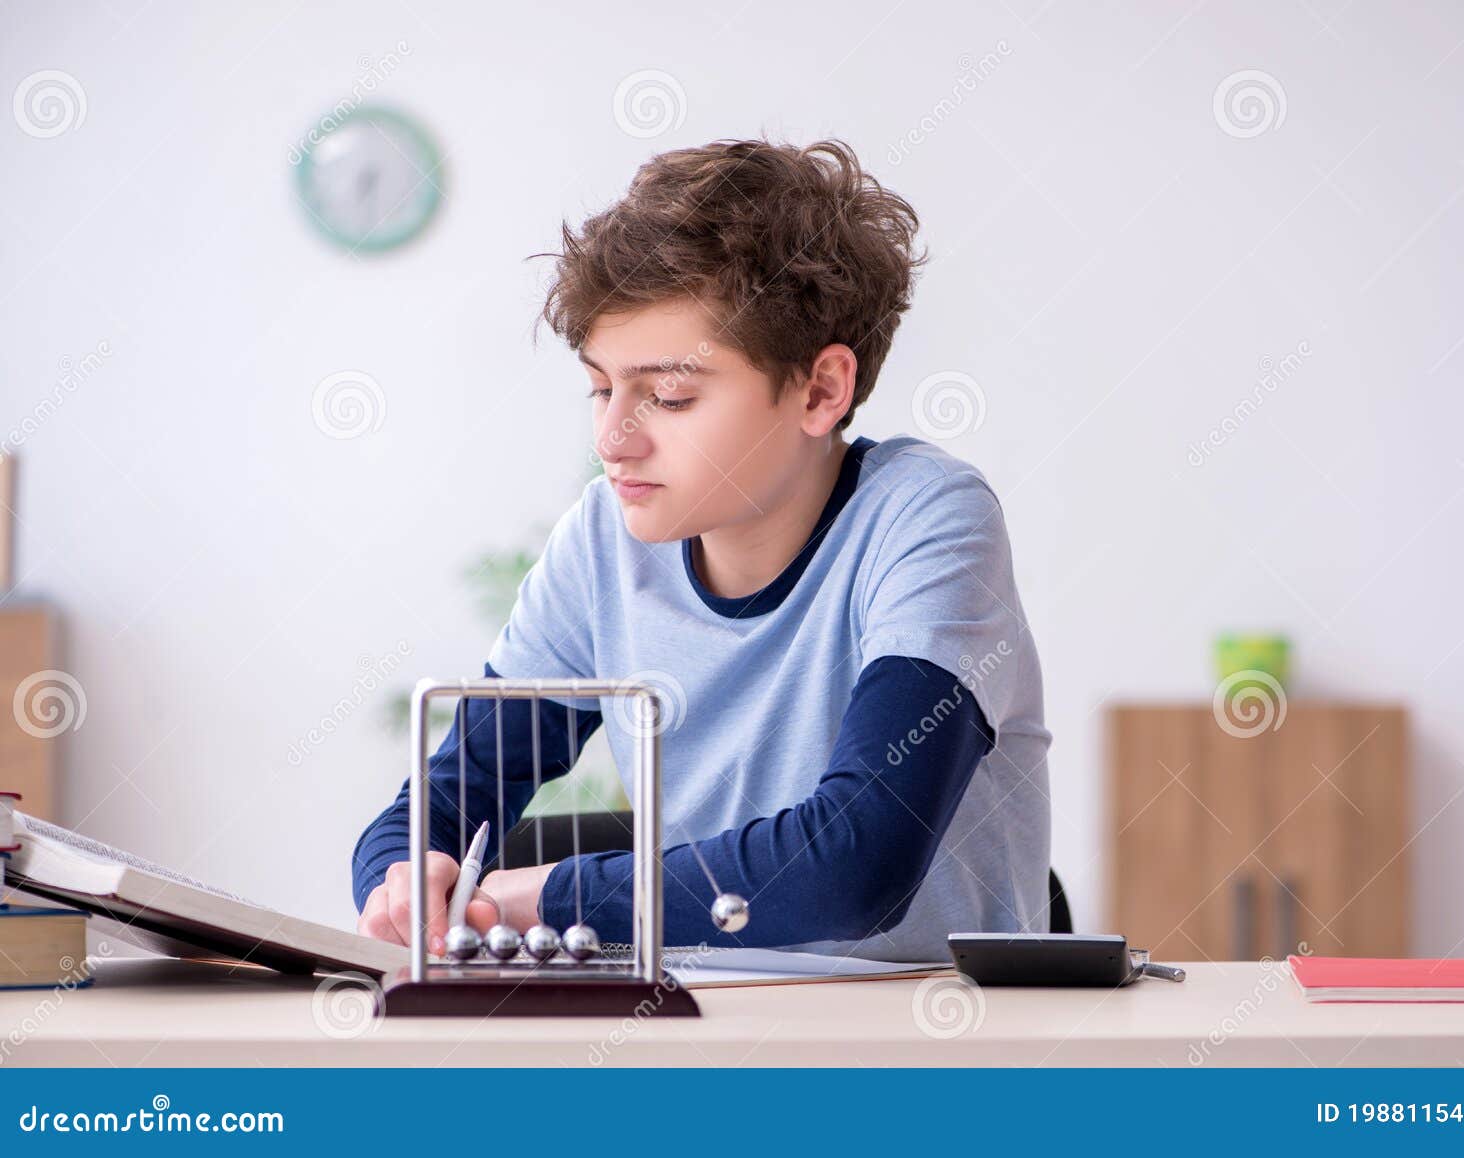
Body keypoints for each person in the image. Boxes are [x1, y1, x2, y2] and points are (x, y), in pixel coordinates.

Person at [351, 138, 1051, 962]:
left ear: (820, 390)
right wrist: (404, 877)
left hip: (922, 1034)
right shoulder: (602, 540)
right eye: (601, 388)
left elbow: (857, 868)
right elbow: (443, 800)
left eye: (670, 397)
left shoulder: (927, 519)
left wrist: (542, 893)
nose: (614, 439)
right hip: (699, 1024)